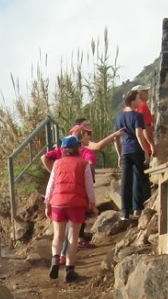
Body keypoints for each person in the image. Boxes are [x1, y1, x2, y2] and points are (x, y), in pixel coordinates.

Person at [40, 119, 119, 248]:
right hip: (77, 191)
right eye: (87, 132)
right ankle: (77, 245)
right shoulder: (84, 152)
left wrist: (55, 173)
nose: (90, 135)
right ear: (80, 138)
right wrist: (92, 204)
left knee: (60, 229)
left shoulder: (60, 153)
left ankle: (58, 257)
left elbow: (44, 158)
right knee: (77, 220)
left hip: (59, 194)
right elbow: (91, 163)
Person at [44, 134, 94, 283]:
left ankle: (54, 260)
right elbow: (89, 186)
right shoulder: (84, 164)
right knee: (73, 237)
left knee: (58, 236)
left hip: (58, 202)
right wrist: (93, 204)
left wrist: (47, 204)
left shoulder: (57, 164)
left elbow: (50, 185)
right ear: (77, 148)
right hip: (76, 203)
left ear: (63, 150)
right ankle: (69, 270)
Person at [115, 89, 154, 222]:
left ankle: (124, 212)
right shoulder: (137, 116)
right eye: (138, 99)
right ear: (132, 102)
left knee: (126, 181)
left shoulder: (119, 117)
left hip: (125, 151)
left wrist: (119, 155)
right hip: (136, 150)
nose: (140, 101)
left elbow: (117, 138)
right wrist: (145, 151)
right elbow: (139, 134)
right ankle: (140, 208)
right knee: (140, 178)